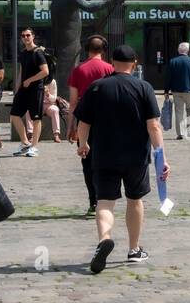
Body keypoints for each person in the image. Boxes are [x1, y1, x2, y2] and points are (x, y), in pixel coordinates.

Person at [74, 45, 169, 273]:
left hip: (104, 154)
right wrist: (161, 156)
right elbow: (153, 125)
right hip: (136, 156)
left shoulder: (97, 88)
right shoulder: (143, 88)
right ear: (134, 64)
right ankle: (134, 249)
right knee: (135, 200)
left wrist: (83, 144)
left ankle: (104, 239)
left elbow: (83, 123)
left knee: (105, 201)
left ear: (112, 62)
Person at [68, 36, 114, 214]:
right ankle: (106, 198)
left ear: (87, 49)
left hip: (84, 121)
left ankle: (93, 201)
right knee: (107, 159)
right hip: (109, 121)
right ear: (103, 50)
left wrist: (71, 127)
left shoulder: (78, 70)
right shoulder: (110, 69)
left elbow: (72, 102)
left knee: (87, 161)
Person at [9, 28, 49, 157]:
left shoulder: (38, 53)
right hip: (23, 90)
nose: (25, 37)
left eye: (28, 35)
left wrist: (30, 80)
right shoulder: (23, 53)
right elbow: (22, 71)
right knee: (14, 115)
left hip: (36, 90)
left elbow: (45, 71)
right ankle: (25, 143)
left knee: (35, 118)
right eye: (23, 36)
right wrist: (17, 87)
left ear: (33, 36)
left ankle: (34, 147)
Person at [164, 42, 190, 140]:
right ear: (187, 51)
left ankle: (180, 133)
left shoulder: (173, 61)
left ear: (178, 50)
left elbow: (168, 77)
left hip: (176, 91)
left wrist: (166, 91)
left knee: (178, 112)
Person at [41, 74, 67, 142]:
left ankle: (56, 135)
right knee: (29, 111)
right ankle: (30, 134)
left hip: (49, 104)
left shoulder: (52, 82)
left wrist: (47, 93)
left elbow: (53, 99)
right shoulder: (35, 80)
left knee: (55, 110)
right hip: (37, 104)